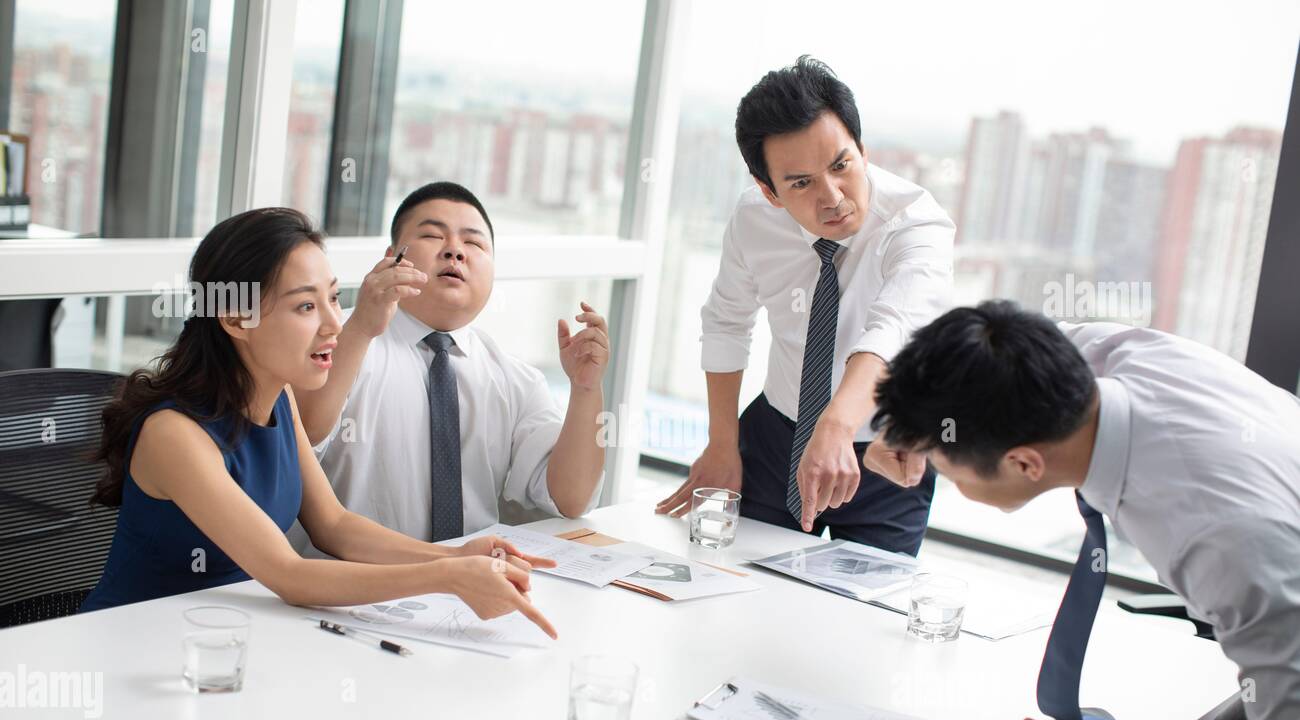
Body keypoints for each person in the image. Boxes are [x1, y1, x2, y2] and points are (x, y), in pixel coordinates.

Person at [867, 300, 1300, 720]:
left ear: (1025, 464)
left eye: (943, 467)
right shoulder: (1104, 356)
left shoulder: (1215, 536)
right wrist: (910, 425)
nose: (934, 469)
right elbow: (986, 352)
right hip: (1284, 614)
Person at [82, 206, 557, 639]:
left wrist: (456, 555)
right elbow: (289, 573)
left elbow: (334, 526)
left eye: (333, 298)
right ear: (234, 317)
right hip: (138, 645)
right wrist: (445, 577)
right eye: (306, 306)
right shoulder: (174, 435)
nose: (334, 323)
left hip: (230, 634)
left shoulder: (280, 399)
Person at [655, 56, 954, 555]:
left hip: (886, 453)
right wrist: (722, 444)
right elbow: (727, 322)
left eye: (841, 166)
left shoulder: (917, 225)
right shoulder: (754, 220)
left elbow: (893, 329)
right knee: (742, 589)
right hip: (775, 439)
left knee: (863, 617)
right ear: (769, 191)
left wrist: (836, 426)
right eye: (801, 183)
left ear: (862, 149)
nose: (832, 197)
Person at [293, 181, 607, 546]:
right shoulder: (337, 337)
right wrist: (362, 325)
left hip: (468, 589)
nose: (455, 251)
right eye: (432, 236)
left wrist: (585, 389)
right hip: (344, 587)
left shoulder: (515, 380)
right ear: (392, 256)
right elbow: (305, 432)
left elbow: (571, 500)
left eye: (473, 243)